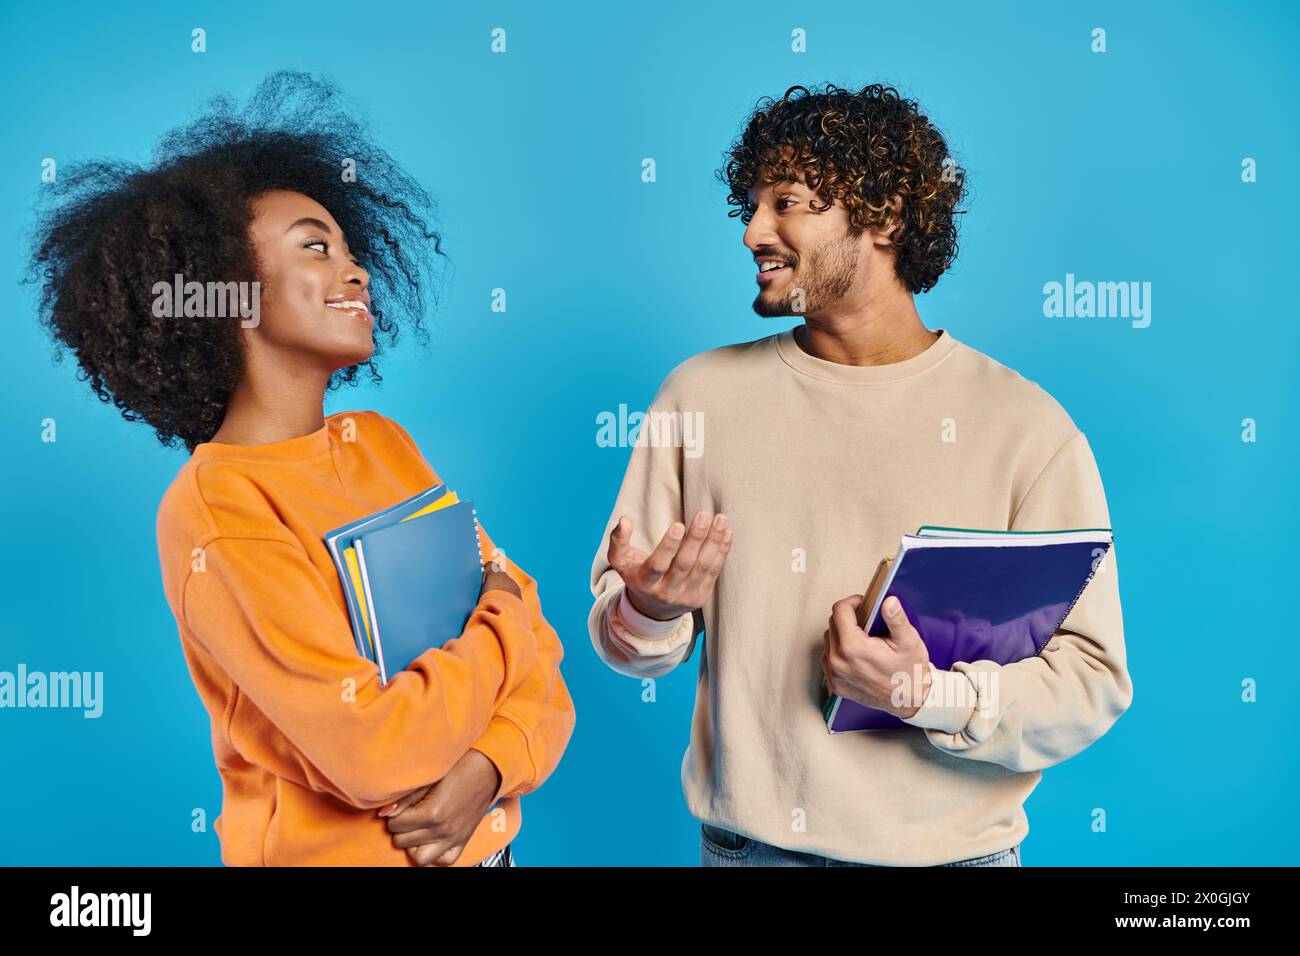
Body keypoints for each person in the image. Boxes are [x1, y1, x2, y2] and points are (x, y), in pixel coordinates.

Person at [29, 71, 574, 866]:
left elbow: (546, 660)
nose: (355, 272)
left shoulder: (384, 443)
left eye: (351, 250)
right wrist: (502, 620)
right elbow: (375, 751)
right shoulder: (218, 506)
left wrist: (486, 771)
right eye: (316, 246)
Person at [587, 83, 1132, 867]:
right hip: (751, 852)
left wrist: (927, 695)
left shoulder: (1027, 430)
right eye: (750, 204)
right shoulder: (696, 396)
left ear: (884, 215)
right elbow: (627, 643)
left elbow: (1091, 681)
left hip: (956, 858)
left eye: (789, 203)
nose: (752, 232)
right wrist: (646, 607)